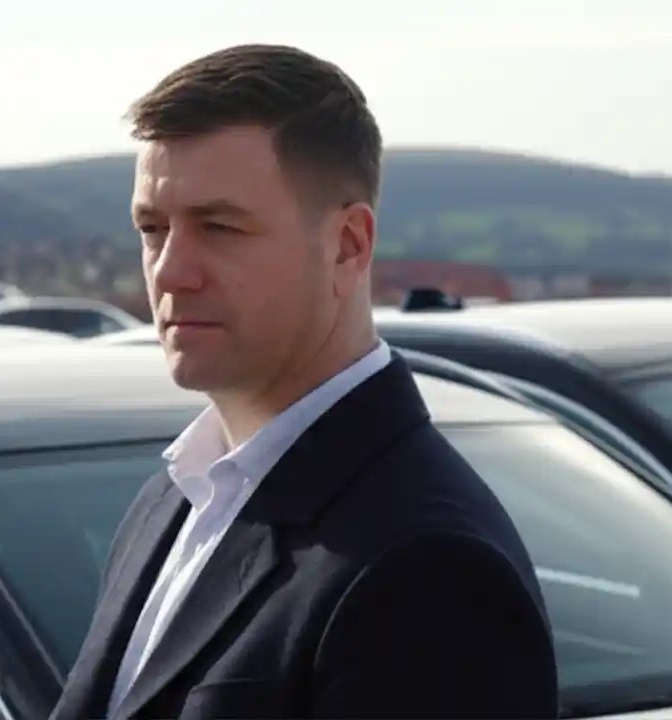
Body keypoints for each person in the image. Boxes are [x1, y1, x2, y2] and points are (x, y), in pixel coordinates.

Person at [51, 44, 558, 719]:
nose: (169, 270)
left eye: (219, 227)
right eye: (152, 228)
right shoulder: (174, 499)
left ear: (348, 245)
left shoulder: (428, 566)